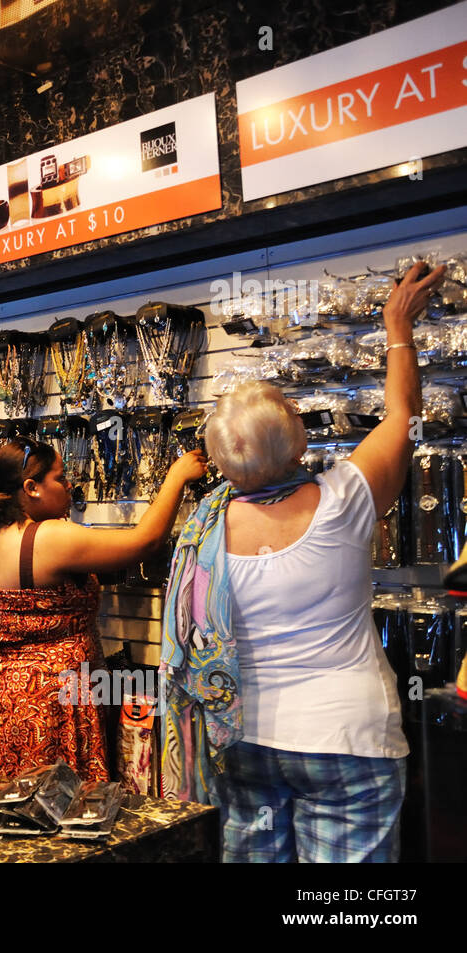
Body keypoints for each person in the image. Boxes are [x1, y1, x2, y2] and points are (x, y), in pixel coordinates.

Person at [164, 262, 447, 863]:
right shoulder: (343, 500)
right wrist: (398, 326)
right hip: (345, 741)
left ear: (218, 464)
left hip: (244, 741)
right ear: (298, 444)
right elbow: (402, 417)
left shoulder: (201, 533)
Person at [0, 438, 208, 780]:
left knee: (4, 801)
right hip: (53, 701)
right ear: (31, 487)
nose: (70, 486)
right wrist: (176, 477)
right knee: (62, 810)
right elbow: (144, 542)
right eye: (60, 478)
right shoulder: (50, 538)